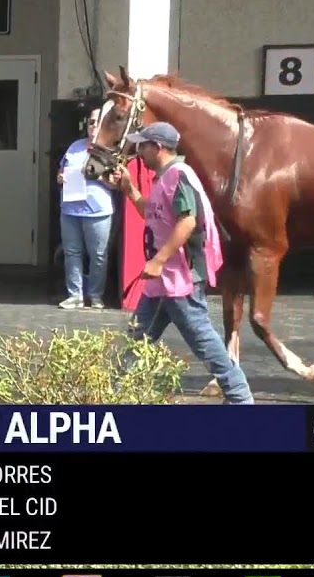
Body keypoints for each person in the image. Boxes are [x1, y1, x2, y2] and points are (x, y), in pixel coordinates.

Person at [112, 122, 254, 405]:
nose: (139, 152)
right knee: (137, 336)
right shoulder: (164, 178)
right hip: (162, 281)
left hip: (180, 279)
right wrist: (129, 190)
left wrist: (158, 260)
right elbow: (153, 213)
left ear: (158, 147)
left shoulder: (178, 176)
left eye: (143, 146)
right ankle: (113, 394)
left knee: (202, 339)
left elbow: (187, 221)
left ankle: (240, 397)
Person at [57, 108, 115, 309]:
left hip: (98, 210)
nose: (94, 126)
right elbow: (61, 171)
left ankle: (96, 295)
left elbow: (116, 184)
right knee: (72, 252)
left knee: (98, 255)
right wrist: (60, 177)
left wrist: (96, 176)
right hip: (70, 209)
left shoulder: (109, 149)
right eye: (91, 122)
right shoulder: (75, 147)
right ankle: (75, 296)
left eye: (98, 122)